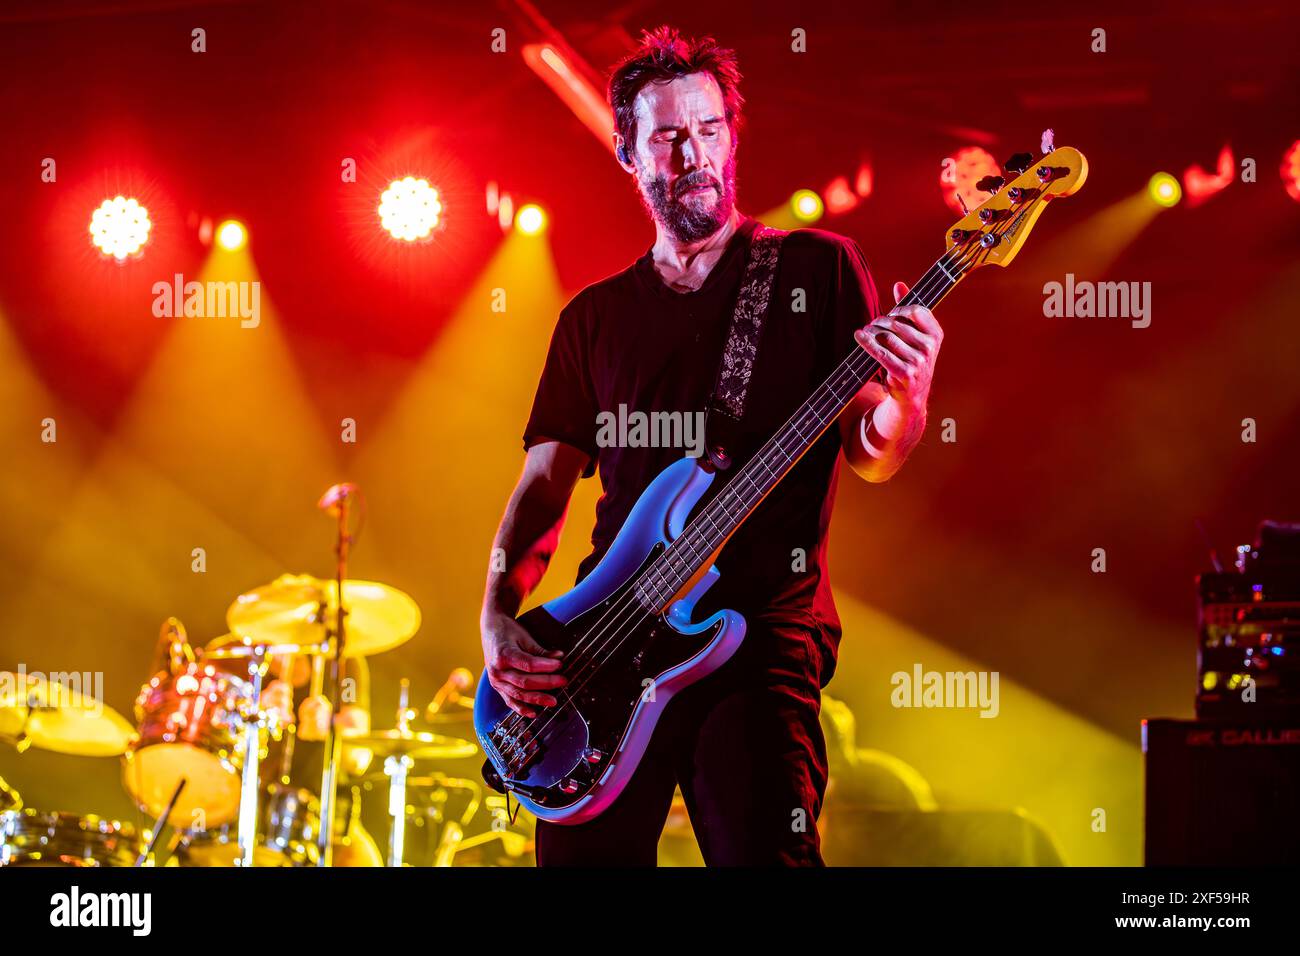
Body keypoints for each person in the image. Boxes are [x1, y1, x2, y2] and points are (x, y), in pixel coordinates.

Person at [479, 26, 943, 866]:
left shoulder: (815, 269)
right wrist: (497, 618)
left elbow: (873, 450)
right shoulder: (593, 318)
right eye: (666, 137)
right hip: (606, 634)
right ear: (627, 154)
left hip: (758, 634)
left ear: (731, 136)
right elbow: (543, 487)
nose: (692, 153)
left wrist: (909, 400)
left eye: (709, 130)